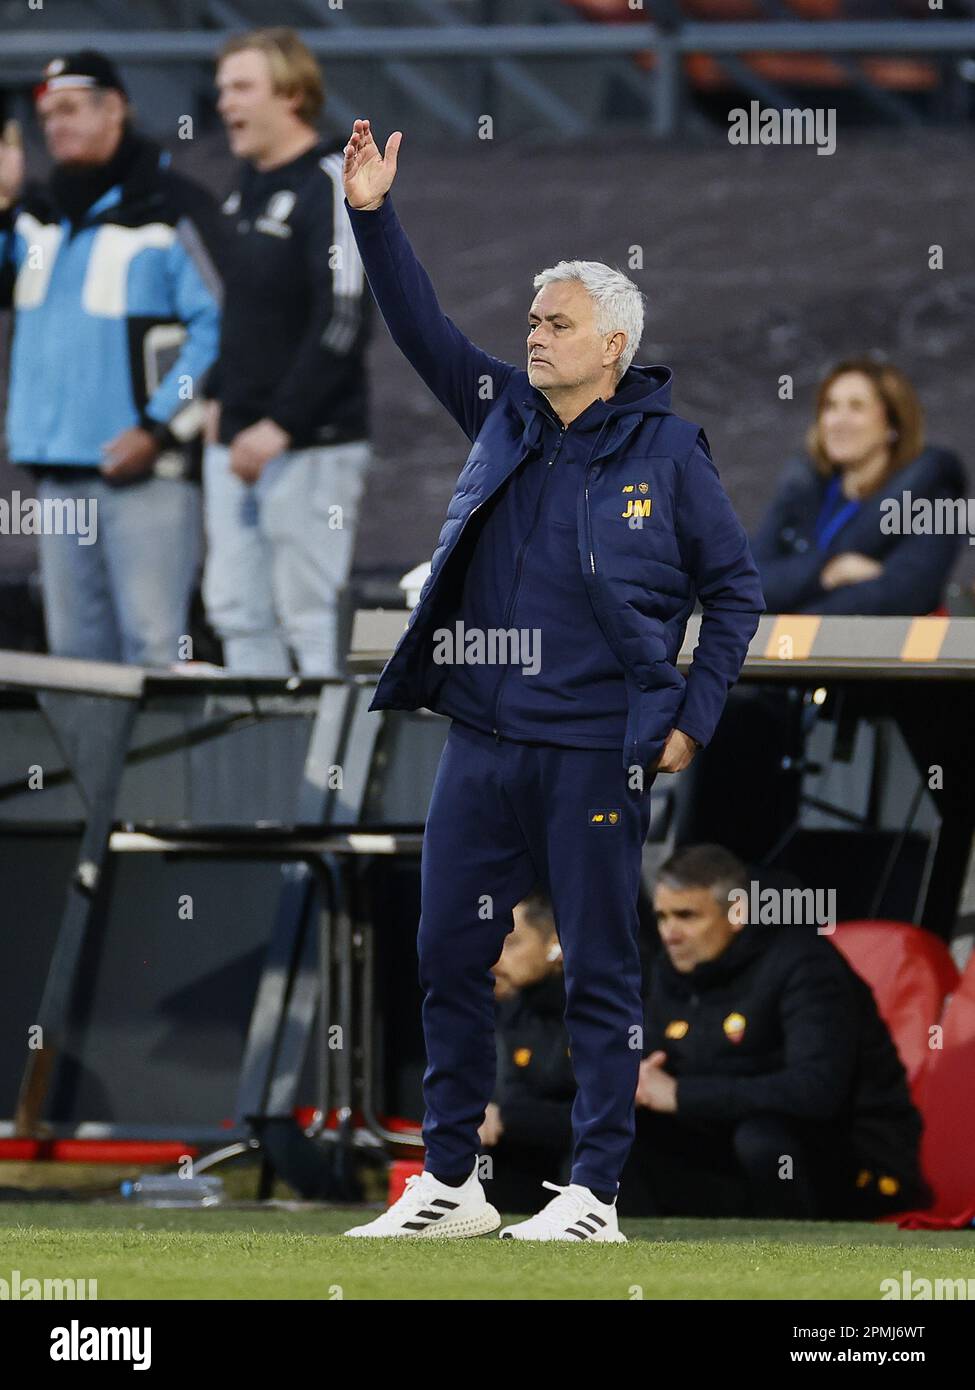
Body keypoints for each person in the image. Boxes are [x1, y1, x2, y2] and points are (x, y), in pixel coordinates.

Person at [340, 119, 764, 1241]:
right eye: (530, 319)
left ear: (612, 345)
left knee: (600, 975)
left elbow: (736, 594)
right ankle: (450, 1182)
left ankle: (594, 1192)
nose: (532, 335)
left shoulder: (671, 455)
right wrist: (373, 216)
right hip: (482, 732)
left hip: (594, 744)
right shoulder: (501, 410)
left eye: (556, 323)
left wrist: (691, 718)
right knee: (446, 952)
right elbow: (419, 323)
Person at [0, 51, 222, 665]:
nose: (55, 126)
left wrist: (155, 429)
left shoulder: (168, 210)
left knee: (154, 652)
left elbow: (217, 330)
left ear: (115, 108)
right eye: (47, 116)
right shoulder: (35, 220)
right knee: (75, 667)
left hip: (145, 477)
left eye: (70, 109)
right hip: (58, 476)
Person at [617, 844, 930, 1220]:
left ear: (737, 913)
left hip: (856, 1162)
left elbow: (816, 1091)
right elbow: (657, 1064)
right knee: (618, 1128)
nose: (670, 934)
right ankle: (627, 1256)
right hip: (729, 1142)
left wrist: (682, 1093)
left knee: (763, 1139)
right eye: (663, 917)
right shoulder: (672, 972)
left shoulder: (805, 965)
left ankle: (788, 1255)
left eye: (686, 916)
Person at [203, 28, 372, 675]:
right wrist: (218, 392)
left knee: (310, 617)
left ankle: (327, 773)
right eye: (220, 90)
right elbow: (244, 314)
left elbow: (347, 318)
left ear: (294, 95)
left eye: (242, 87)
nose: (224, 103)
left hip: (309, 446)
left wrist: (281, 424)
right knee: (236, 612)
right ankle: (263, 774)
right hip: (236, 446)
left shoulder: (331, 182)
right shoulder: (242, 185)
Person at [752, 357, 966, 615]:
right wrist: (829, 572)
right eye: (830, 406)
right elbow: (747, 585)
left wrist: (794, 612)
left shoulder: (931, 498)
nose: (838, 421)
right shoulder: (801, 492)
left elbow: (906, 594)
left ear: (893, 424)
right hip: (787, 650)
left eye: (856, 407)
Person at [479, 892, 575, 1214]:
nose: (496, 959)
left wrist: (508, 1117)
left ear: (555, 944)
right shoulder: (510, 1010)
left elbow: (598, 1113)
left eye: (513, 943)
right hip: (529, 1151)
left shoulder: (590, 1012)